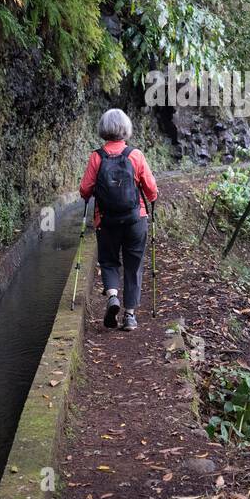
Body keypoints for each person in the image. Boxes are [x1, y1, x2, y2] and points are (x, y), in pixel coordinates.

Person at [78, 109, 159, 332]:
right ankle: (130, 316)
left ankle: (112, 296)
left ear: (104, 129)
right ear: (125, 129)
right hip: (135, 220)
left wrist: (90, 195)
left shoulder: (97, 157)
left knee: (109, 260)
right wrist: (152, 198)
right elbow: (151, 190)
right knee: (133, 265)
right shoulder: (135, 155)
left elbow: (85, 189)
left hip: (106, 220)